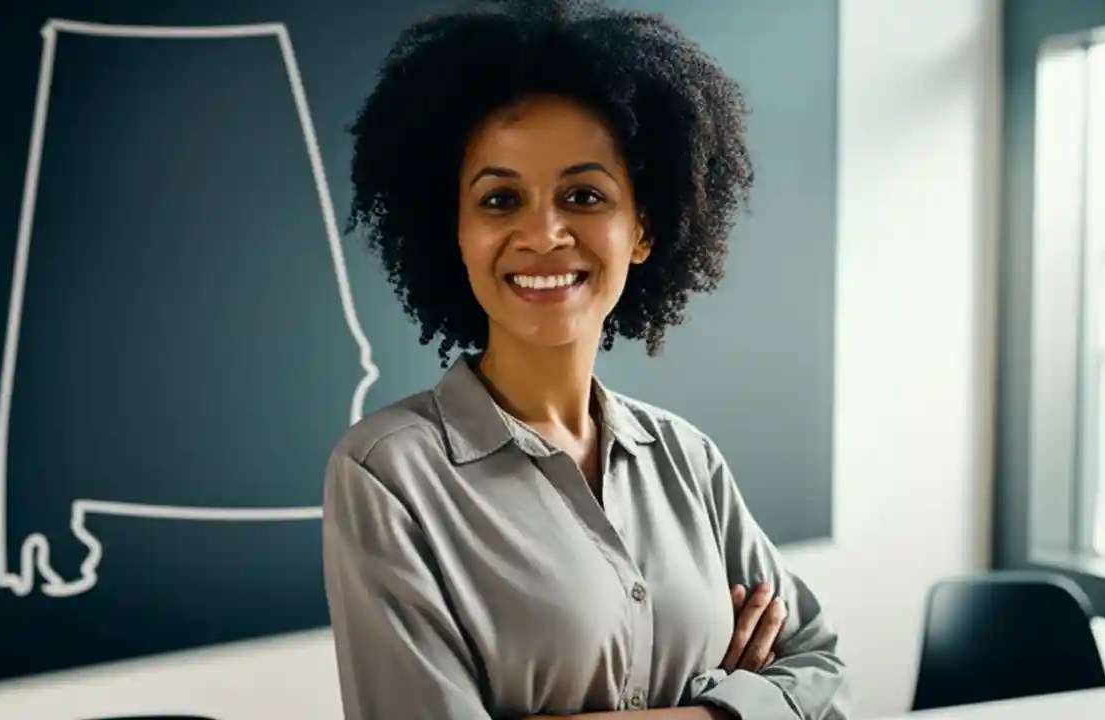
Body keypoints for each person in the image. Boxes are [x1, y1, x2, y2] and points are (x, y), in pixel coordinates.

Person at [321, 1, 848, 717]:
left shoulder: (686, 459)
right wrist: (737, 703)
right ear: (455, 232)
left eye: (583, 195)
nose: (542, 232)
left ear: (643, 229)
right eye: (501, 199)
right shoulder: (388, 476)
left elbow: (825, 675)